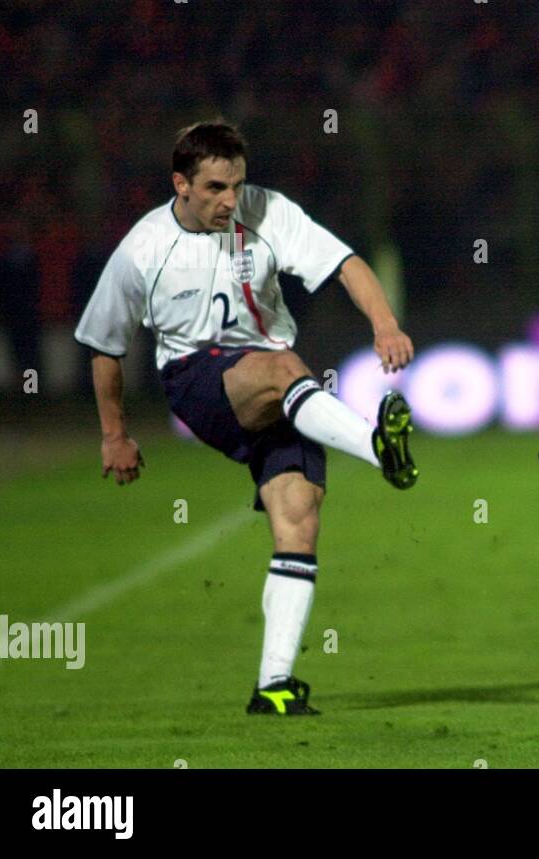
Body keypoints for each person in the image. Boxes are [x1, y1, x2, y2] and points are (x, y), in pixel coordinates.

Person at [74, 121, 419, 715]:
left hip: (282, 394)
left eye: (236, 184)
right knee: (283, 366)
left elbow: (345, 264)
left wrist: (384, 324)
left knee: (298, 516)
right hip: (197, 381)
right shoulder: (142, 249)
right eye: (214, 187)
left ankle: (274, 686)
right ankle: (379, 450)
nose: (229, 200)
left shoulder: (267, 211)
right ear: (180, 184)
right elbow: (105, 345)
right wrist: (115, 435)